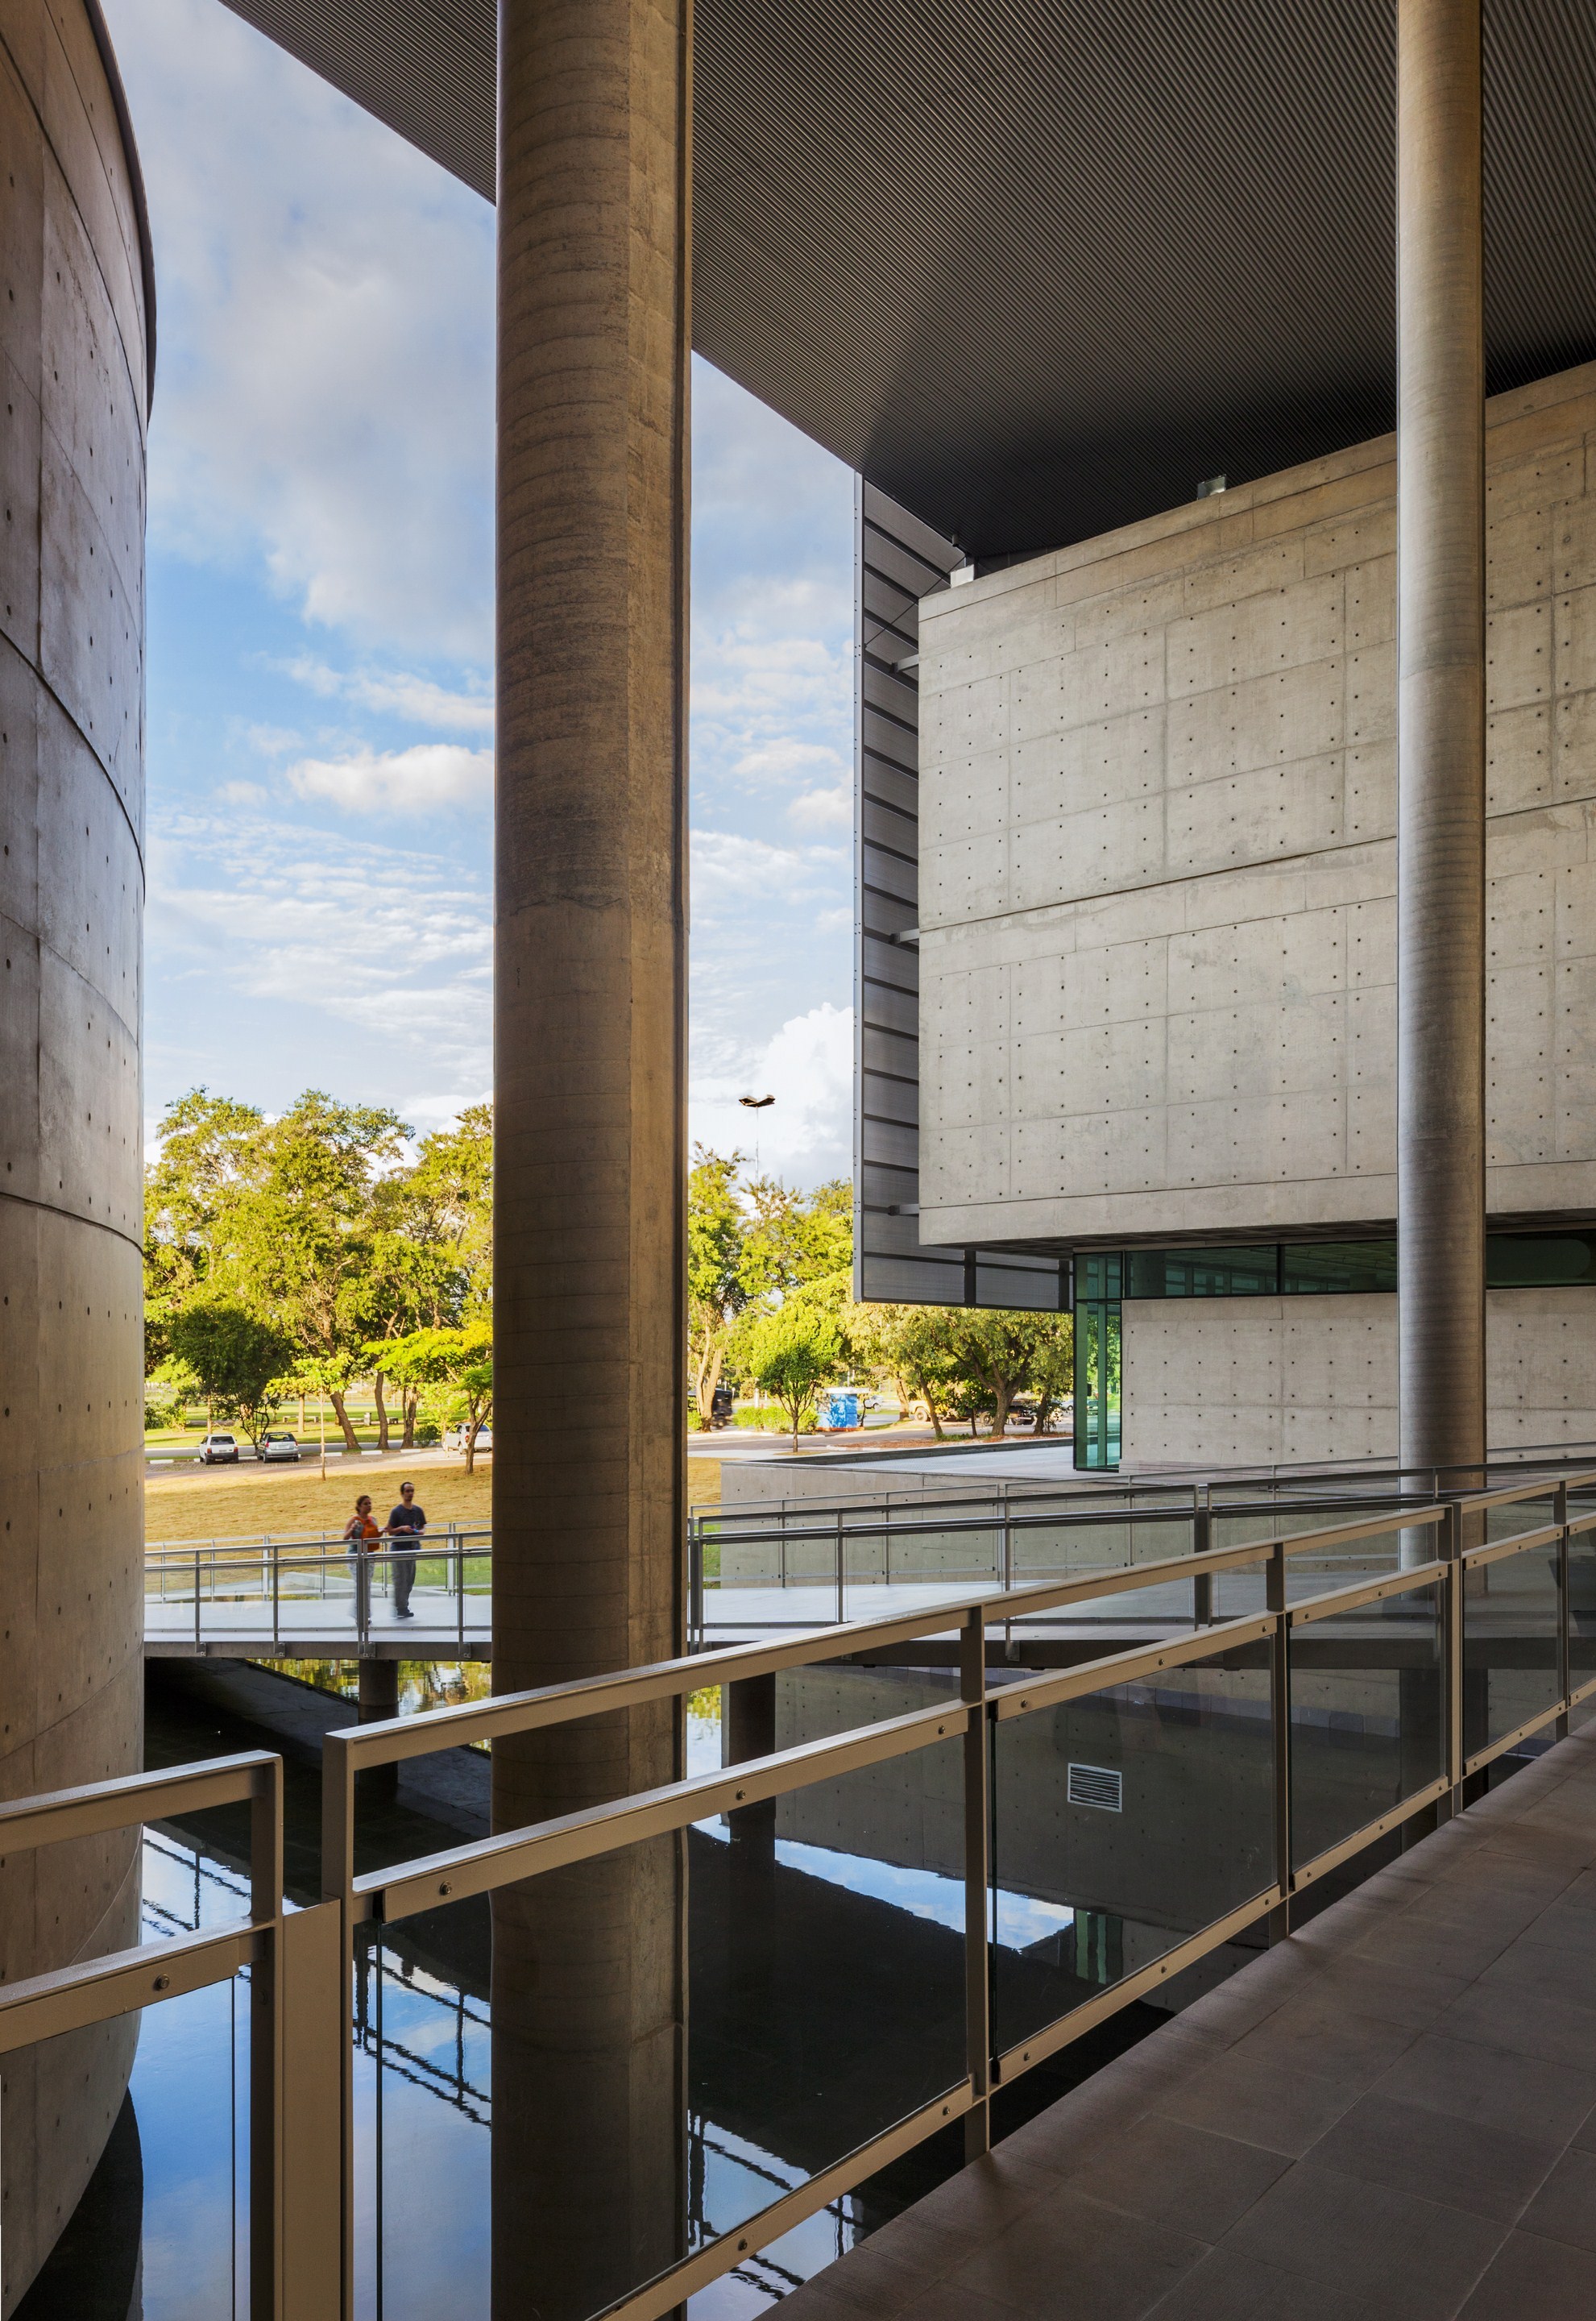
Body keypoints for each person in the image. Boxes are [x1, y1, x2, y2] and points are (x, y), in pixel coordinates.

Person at [385, 1480, 427, 1618]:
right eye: (407, 1491)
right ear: (402, 1493)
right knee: (400, 1580)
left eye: (412, 1491)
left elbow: (423, 1527)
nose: (410, 1493)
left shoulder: (418, 1510)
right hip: (399, 1550)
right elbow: (389, 1530)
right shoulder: (396, 1512)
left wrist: (421, 1531)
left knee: (409, 1580)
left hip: (412, 1549)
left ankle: (403, 1605)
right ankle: (401, 1607)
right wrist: (402, 1528)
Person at [343, 1494, 381, 1632]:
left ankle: (365, 1615)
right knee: (361, 1585)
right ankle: (359, 1616)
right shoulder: (354, 1520)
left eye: (370, 1503)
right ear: (359, 1506)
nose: (369, 1506)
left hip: (369, 1556)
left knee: (367, 1586)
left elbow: (375, 1537)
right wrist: (352, 1529)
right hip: (355, 1556)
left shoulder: (374, 1520)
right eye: (366, 1504)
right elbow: (345, 1538)